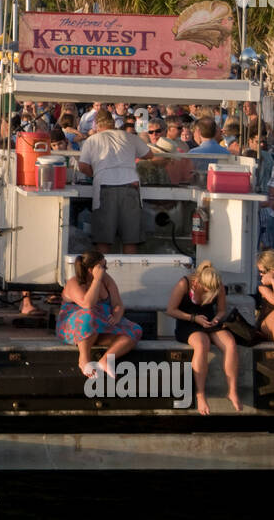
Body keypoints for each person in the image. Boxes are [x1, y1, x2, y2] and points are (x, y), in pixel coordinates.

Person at [166, 262, 240, 414]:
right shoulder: (184, 283)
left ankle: (232, 391)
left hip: (208, 321)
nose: (211, 292)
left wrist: (216, 320)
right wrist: (193, 318)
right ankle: (200, 394)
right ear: (199, 282)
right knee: (202, 344)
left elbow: (221, 310)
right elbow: (171, 310)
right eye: (208, 290)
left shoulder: (217, 285)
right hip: (188, 322)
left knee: (230, 343)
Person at [76, 109, 153, 253]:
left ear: (96, 126)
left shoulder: (92, 140)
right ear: (113, 123)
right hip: (131, 185)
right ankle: (130, 274)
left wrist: (96, 174)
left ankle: (102, 273)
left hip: (104, 186)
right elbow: (149, 154)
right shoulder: (129, 136)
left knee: (103, 240)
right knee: (131, 240)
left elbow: (82, 166)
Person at [56, 250, 142, 378]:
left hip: (102, 325)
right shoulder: (74, 283)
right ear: (91, 270)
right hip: (76, 328)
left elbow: (118, 304)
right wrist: (96, 280)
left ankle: (106, 360)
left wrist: (117, 316)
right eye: (102, 266)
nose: (105, 269)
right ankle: (84, 359)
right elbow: (87, 304)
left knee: (135, 330)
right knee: (89, 315)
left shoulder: (106, 280)